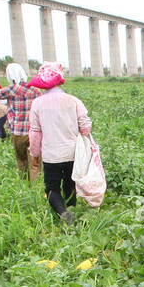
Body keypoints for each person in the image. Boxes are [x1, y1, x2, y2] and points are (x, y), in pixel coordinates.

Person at [28, 62, 94, 225]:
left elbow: (35, 132)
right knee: (70, 185)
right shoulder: (73, 101)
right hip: (72, 153)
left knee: (52, 188)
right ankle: (71, 210)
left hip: (51, 155)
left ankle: (63, 213)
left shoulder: (38, 103)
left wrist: (34, 153)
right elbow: (85, 128)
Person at [0, 63, 43, 182]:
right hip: (34, 131)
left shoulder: (11, 89)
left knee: (21, 160)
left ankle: (25, 184)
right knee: (35, 161)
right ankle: (35, 186)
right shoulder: (35, 90)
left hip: (18, 131)